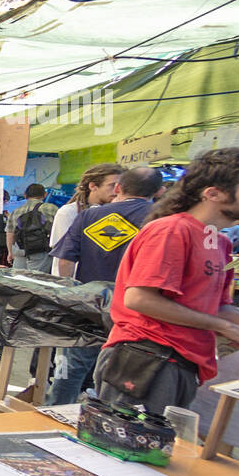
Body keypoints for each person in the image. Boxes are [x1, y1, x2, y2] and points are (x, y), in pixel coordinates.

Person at [93, 148, 239, 418]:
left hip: (182, 362)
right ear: (213, 193)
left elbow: (214, 306)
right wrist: (224, 327)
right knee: (131, 450)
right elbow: (139, 299)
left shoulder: (220, 242)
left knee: (156, 450)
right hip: (147, 358)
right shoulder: (172, 230)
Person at [45, 167, 161, 405]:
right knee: (121, 373)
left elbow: (66, 259)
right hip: (134, 311)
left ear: (119, 188)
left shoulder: (89, 216)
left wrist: (73, 295)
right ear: (159, 191)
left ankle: (54, 413)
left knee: (72, 368)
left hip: (90, 305)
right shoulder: (161, 221)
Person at [50, 163, 121, 276]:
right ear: (93, 186)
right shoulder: (68, 212)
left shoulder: (116, 213)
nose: (117, 191)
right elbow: (63, 255)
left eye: (120, 187)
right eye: (112, 185)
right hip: (75, 281)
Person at [7, 183, 59, 272]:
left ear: (25, 195)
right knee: (36, 280)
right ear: (45, 195)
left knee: (18, 280)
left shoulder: (16, 211)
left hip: (20, 250)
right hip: (40, 250)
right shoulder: (52, 208)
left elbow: (10, 233)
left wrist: (10, 252)